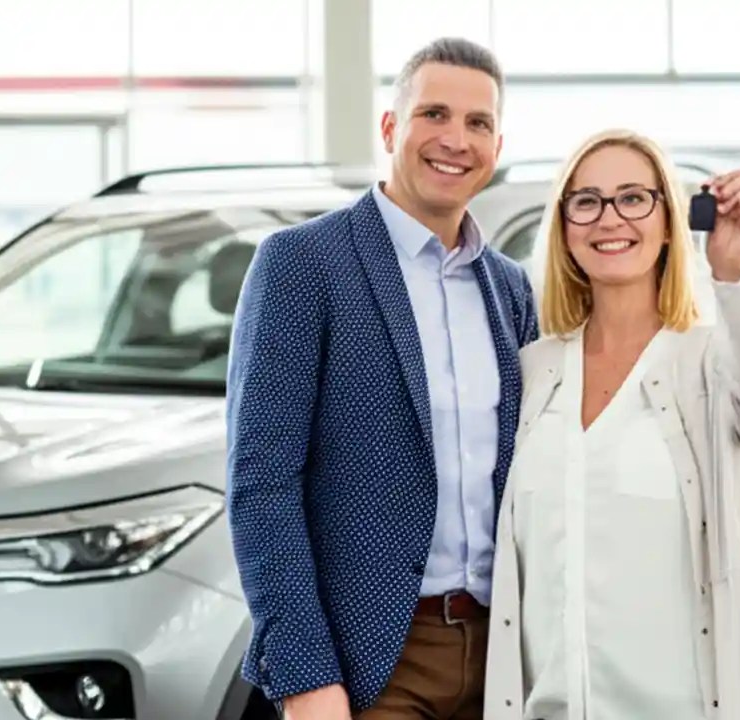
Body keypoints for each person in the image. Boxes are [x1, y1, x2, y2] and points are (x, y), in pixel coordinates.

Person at [225, 37, 538, 720]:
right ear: (392, 127)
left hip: (502, 655)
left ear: (497, 143)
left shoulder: (511, 290)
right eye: (435, 115)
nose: (456, 139)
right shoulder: (302, 265)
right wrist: (305, 676)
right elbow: (261, 485)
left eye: (478, 123)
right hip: (371, 664)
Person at [483, 129, 740, 720]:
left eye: (634, 198)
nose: (610, 219)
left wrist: (734, 273)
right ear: (564, 225)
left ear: (667, 219)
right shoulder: (533, 372)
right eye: (587, 201)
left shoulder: (708, 365)